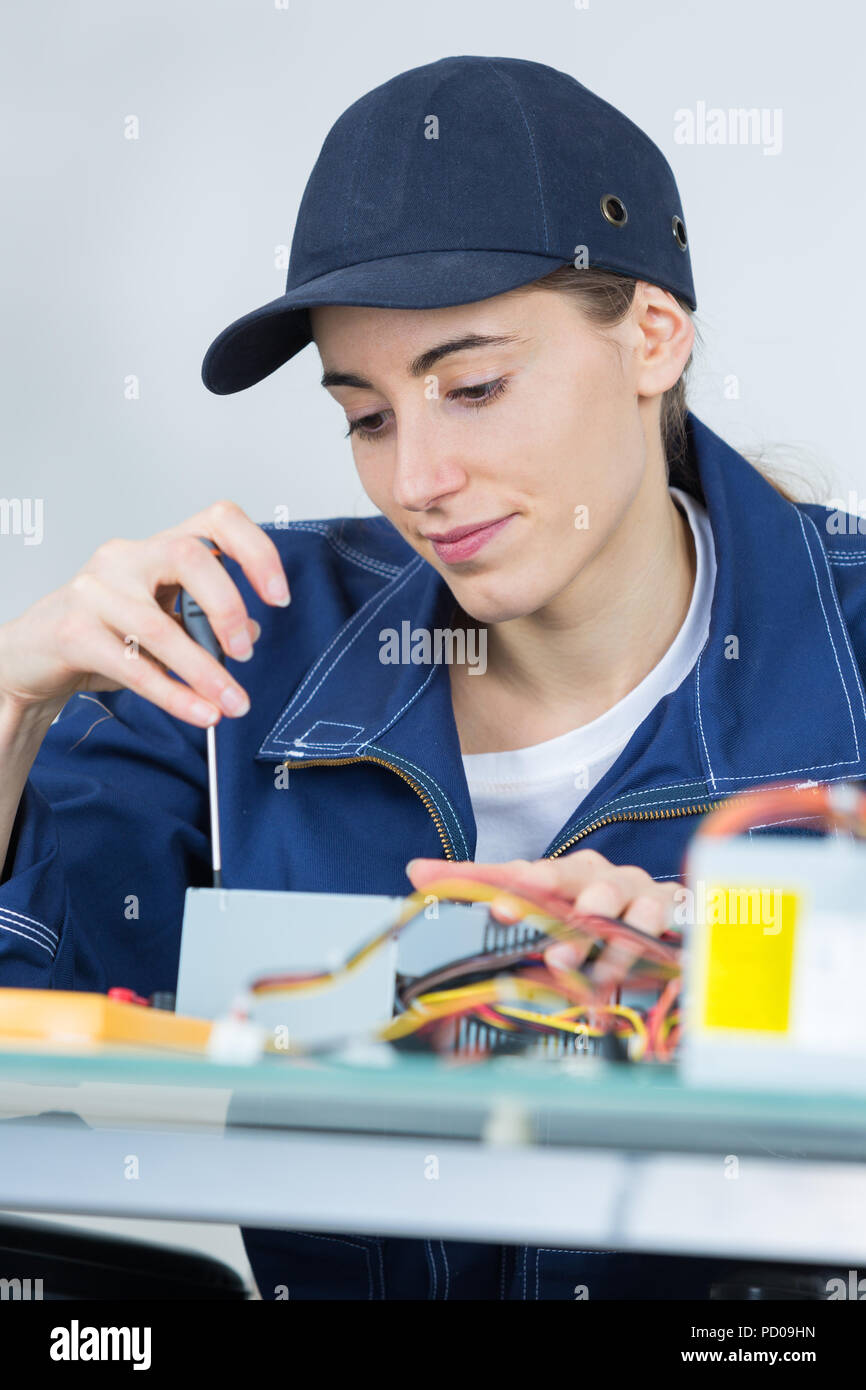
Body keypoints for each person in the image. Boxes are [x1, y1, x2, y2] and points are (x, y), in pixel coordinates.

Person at [2, 55, 864, 1300]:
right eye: (365, 416)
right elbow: (30, 1044)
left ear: (652, 339)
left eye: (471, 388)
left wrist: (719, 987)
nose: (417, 482)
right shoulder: (243, 649)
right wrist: (15, 697)